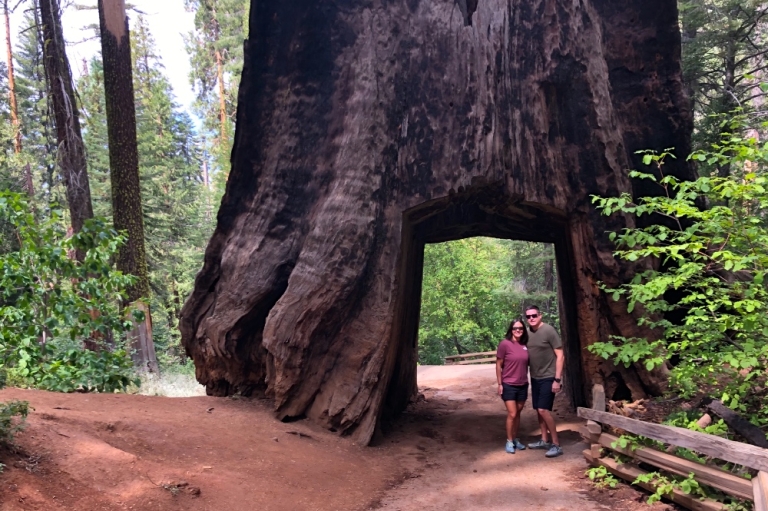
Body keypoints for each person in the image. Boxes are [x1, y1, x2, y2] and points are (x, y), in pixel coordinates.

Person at [524, 305, 565, 458]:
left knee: (543, 409)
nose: (531, 319)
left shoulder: (549, 331)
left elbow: (560, 355)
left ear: (540, 315)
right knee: (538, 410)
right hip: (535, 377)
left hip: (549, 376)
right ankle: (544, 440)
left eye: (534, 315)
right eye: (528, 317)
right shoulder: (527, 333)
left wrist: (557, 379)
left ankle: (556, 444)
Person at [496, 318, 529, 454]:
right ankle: (509, 441)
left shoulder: (525, 345)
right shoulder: (505, 344)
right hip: (509, 384)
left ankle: (515, 438)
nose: (518, 330)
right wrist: (500, 384)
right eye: (515, 328)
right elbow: (498, 365)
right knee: (512, 413)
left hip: (523, 384)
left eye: (520, 328)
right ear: (511, 330)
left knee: (518, 414)